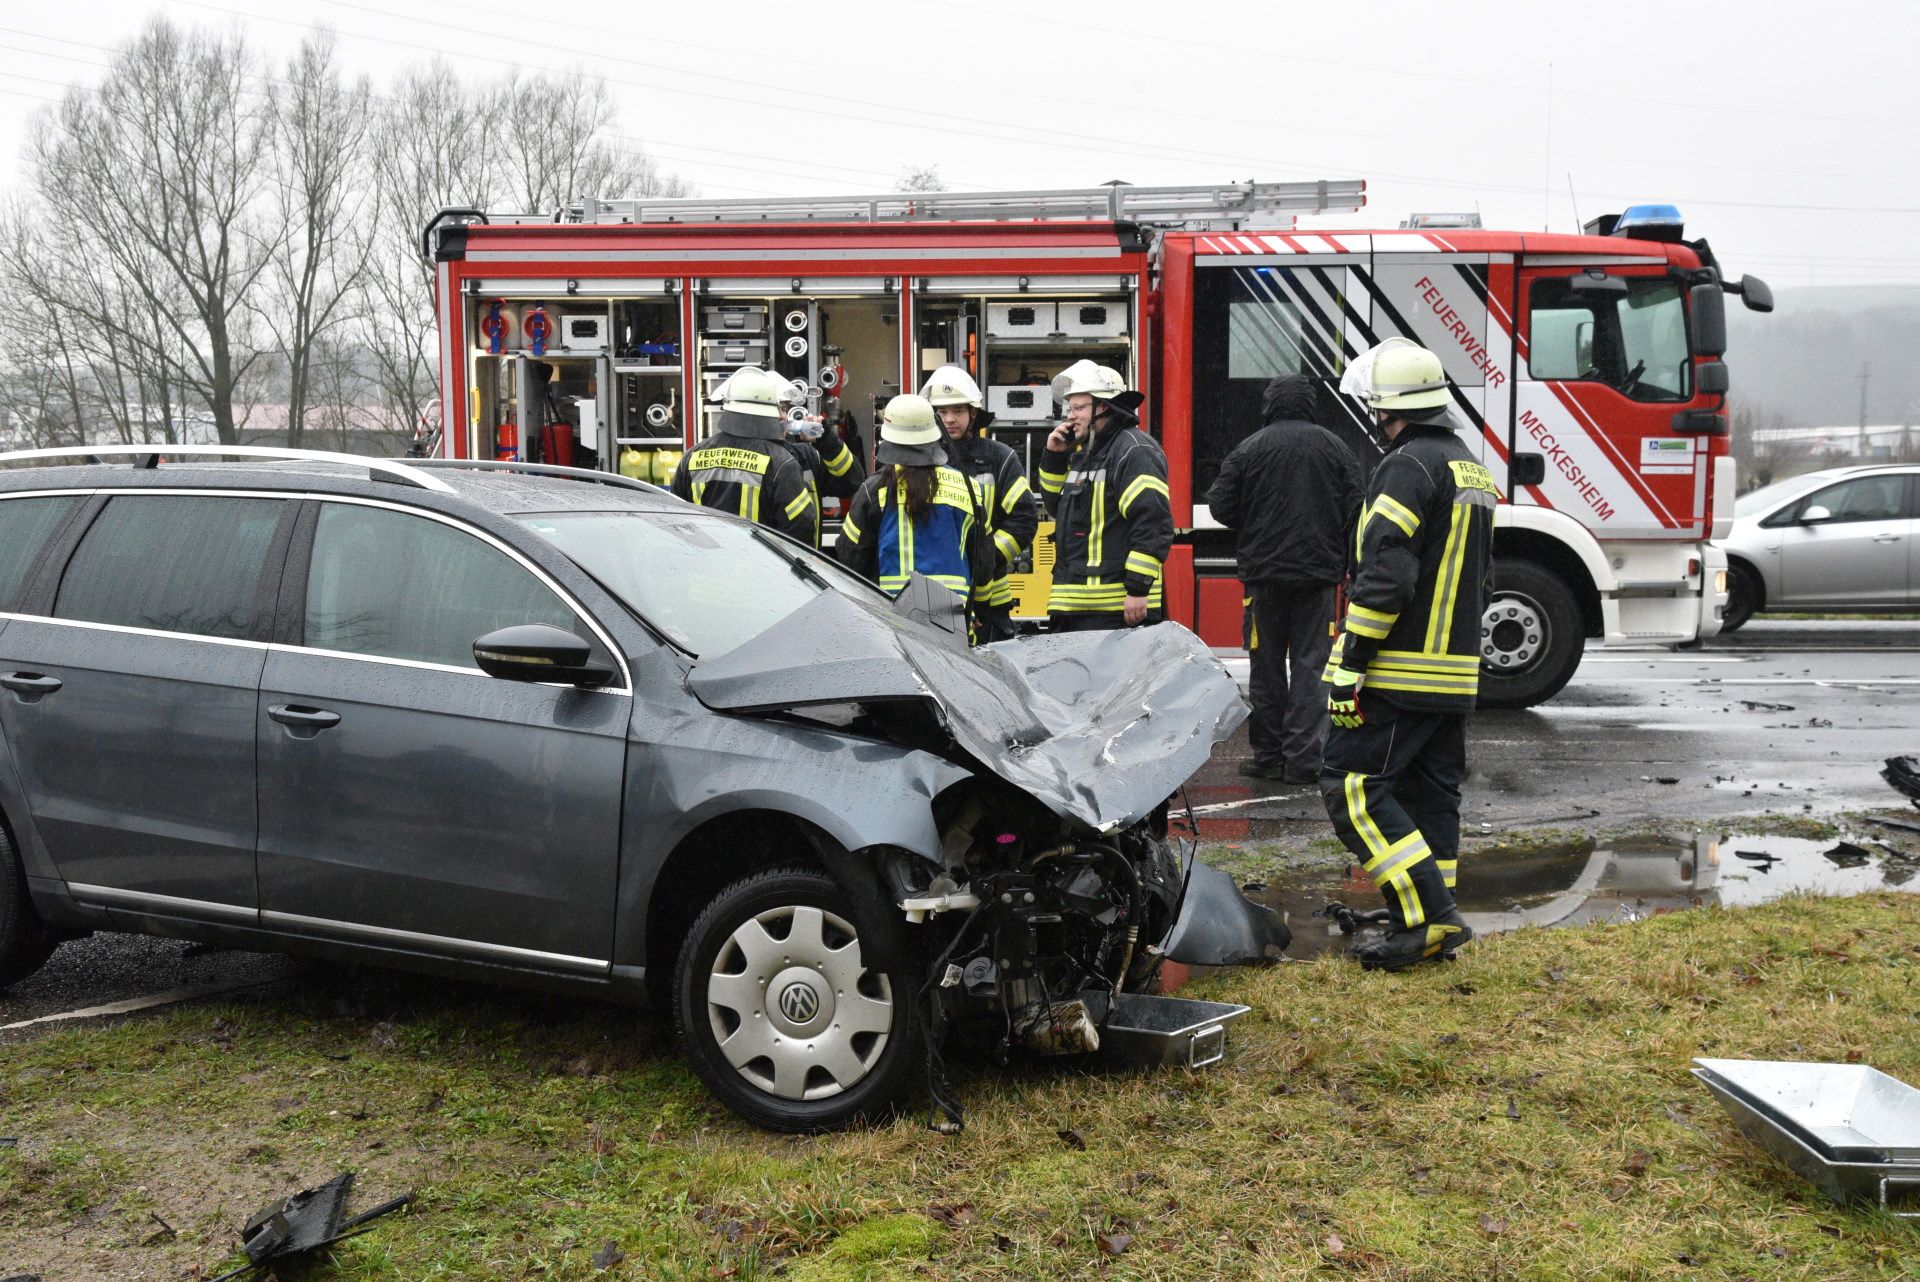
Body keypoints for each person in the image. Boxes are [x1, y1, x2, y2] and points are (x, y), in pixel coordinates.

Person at [1319, 339, 1495, 971]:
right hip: (1453, 674)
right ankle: (1428, 916)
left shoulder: (1405, 467)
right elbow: (1482, 577)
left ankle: (1427, 920)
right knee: (1430, 796)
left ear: (1386, 408)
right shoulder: (1469, 466)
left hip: (1400, 670)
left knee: (1353, 787)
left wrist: (1351, 660)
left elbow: (1386, 577)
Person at [1207, 373, 1363, 784]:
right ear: (1310, 404)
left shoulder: (1249, 448)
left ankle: (1270, 757)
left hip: (1264, 579)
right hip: (1318, 581)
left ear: (1269, 404)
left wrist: (1254, 524)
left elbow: (1220, 504)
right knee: (1313, 670)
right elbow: (1358, 506)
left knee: (1267, 669)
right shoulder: (1335, 447)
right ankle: (1304, 763)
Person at [1037, 361, 1171, 631]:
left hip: (1116, 609)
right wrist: (1053, 457)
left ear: (1104, 406)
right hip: (1072, 606)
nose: (1070, 416)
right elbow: (1056, 508)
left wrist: (1137, 590)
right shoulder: (1084, 454)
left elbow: (1152, 523)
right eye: (1069, 408)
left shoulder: (1134, 451)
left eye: (1079, 408)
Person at [836, 394, 996, 612]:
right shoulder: (969, 489)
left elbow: (850, 557)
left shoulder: (875, 490)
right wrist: (980, 609)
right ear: (934, 432)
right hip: (953, 622)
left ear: (887, 437)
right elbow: (984, 563)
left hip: (891, 620)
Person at [921, 365, 1039, 642]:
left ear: (973, 414)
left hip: (991, 599)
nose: (950, 419)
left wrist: (988, 556)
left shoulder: (1000, 458)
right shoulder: (917, 461)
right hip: (933, 594)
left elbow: (1023, 518)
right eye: (942, 412)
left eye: (958, 411)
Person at [669, 366, 814, 542]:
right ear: (770, 410)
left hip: (705, 564)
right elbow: (801, 530)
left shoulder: (692, 456)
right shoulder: (782, 463)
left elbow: (675, 519)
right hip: (761, 567)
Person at [768, 374, 866, 549]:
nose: (782, 416)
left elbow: (853, 482)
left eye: (784, 409)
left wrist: (826, 440)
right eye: (776, 409)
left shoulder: (805, 456)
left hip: (803, 566)